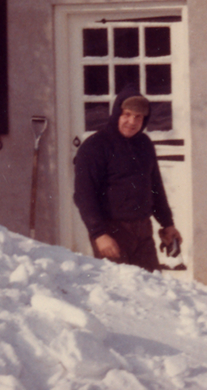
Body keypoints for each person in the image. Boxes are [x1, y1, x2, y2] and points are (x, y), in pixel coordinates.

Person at [73, 85, 182, 272]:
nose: (132, 121)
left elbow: (155, 188)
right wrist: (99, 234)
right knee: (119, 291)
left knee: (152, 287)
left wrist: (168, 224)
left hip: (143, 231)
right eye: (127, 114)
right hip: (112, 231)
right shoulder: (95, 147)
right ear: (116, 114)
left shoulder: (145, 144)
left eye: (138, 116)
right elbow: (84, 196)